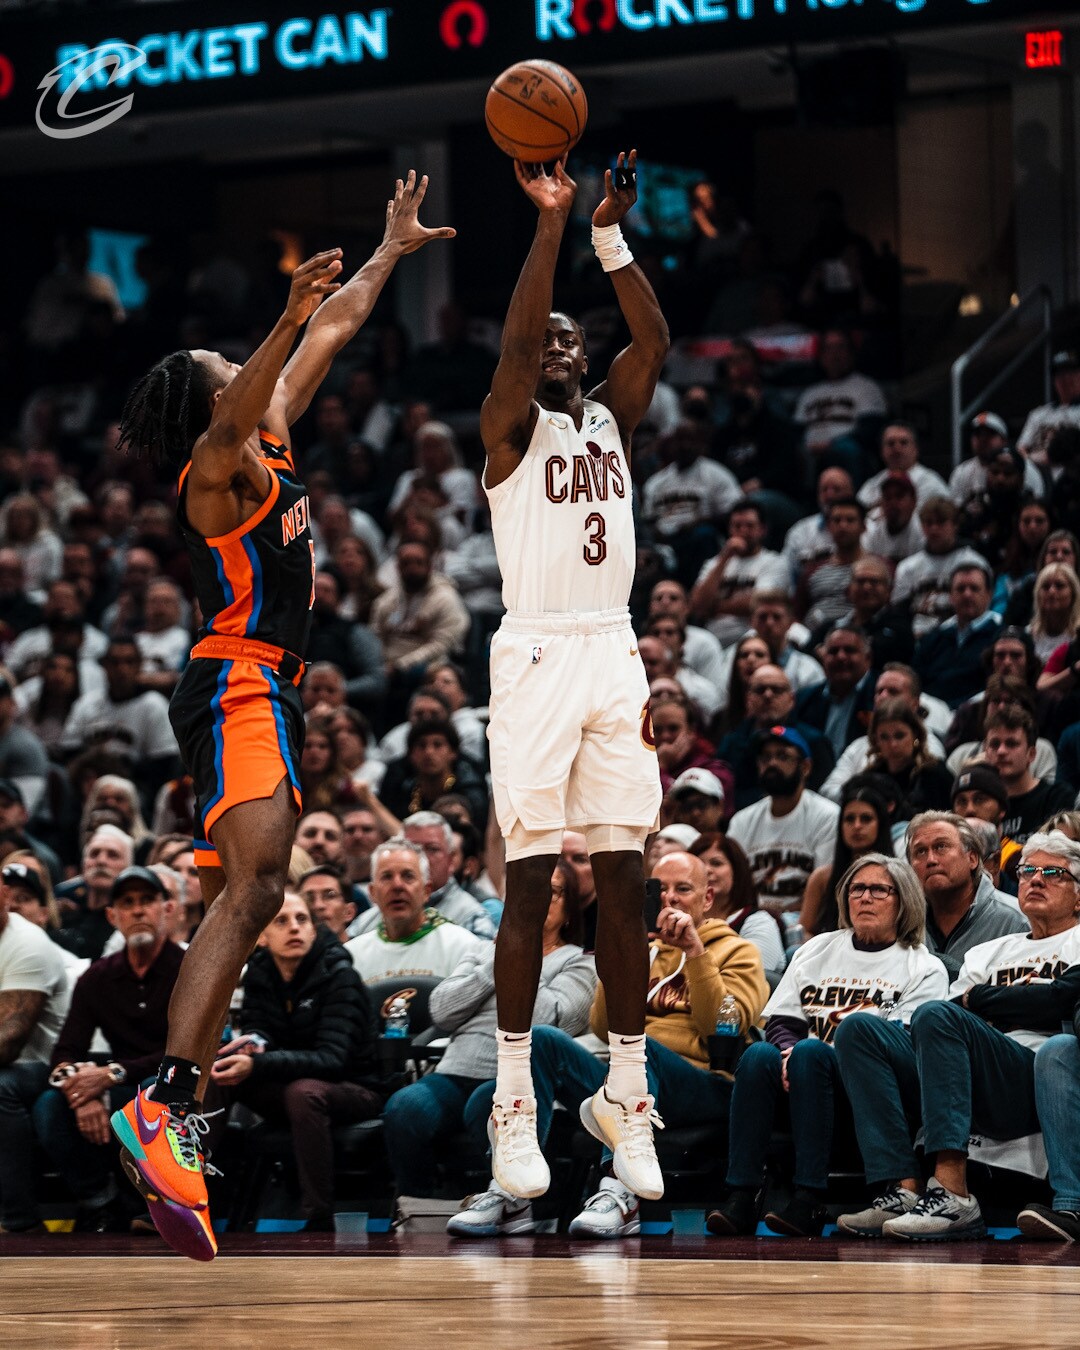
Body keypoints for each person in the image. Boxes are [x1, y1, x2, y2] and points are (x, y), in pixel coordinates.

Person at [108, 170, 454, 1259]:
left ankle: (173, 1108)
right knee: (258, 884)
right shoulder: (214, 472)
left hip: (268, 690)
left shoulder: (269, 437)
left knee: (248, 897)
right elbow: (264, 372)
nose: (246, 378)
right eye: (229, 374)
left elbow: (338, 328)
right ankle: (163, 1104)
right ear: (213, 400)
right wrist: (285, 314)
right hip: (234, 680)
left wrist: (391, 254)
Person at [479, 150, 670, 1202]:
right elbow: (518, 337)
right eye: (546, 337)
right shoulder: (509, 427)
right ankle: (514, 1100)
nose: (559, 343)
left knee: (627, 879)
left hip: (615, 647)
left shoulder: (610, 417)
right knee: (532, 883)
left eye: (570, 337)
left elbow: (654, 336)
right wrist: (549, 224)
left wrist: (607, 232)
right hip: (539, 649)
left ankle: (624, 1093)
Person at [455, 851, 768, 1238]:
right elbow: (603, 1027)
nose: (669, 899)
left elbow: (725, 1028)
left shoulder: (738, 951)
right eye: (659, 889)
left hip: (704, 1082)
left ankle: (620, 1192)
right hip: (633, 1077)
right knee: (544, 1042)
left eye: (683, 889)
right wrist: (623, 954)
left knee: (643, 1049)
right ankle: (512, 1193)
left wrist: (695, 953)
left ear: (707, 899)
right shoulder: (642, 949)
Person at [710, 852, 946, 1237]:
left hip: (870, 1092)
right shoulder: (817, 949)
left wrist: (802, 1054)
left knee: (812, 1052)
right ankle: (742, 1194)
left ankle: (809, 1197)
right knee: (757, 1056)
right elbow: (783, 1020)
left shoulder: (922, 966)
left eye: (878, 890)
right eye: (857, 889)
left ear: (904, 900)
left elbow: (902, 1048)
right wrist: (786, 1053)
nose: (865, 898)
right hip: (801, 1074)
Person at [872, 832, 1080, 1241]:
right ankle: (909, 1189)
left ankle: (952, 1191)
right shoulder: (987, 952)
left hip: (1041, 1074)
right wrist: (1025, 1000)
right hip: (979, 1076)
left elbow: (1060, 1002)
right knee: (894, 1024)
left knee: (950, 1018)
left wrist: (983, 997)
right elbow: (950, 1014)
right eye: (1027, 871)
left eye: (1053, 873)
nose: (1035, 880)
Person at [389, 860, 594, 1215]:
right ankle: (418, 1209)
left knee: (485, 1105)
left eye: (554, 891)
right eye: (531, 890)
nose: (539, 899)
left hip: (518, 1080)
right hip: (454, 1072)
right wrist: (498, 961)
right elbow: (442, 1010)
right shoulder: (484, 950)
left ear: (570, 910)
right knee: (403, 1109)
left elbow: (552, 1020)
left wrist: (521, 957)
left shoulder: (578, 963)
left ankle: (508, 1205)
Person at [210, 890, 382, 1231]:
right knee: (221, 1074)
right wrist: (254, 1044)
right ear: (262, 937)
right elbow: (263, 1028)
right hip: (292, 1084)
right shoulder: (260, 972)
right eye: (282, 921)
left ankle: (319, 1216)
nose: (294, 929)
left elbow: (332, 1060)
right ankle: (187, 1199)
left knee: (303, 1092)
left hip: (356, 1089)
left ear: (314, 931)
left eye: (302, 920)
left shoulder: (339, 975)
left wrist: (259, 1064)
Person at [32, 867, 184, 1235]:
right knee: (50, 1106)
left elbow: (182, 1051)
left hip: (173, 1083)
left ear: (167, 909)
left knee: (152, 1095)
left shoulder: (189, 969)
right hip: (121, 1084)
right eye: (127, 903)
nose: (137, 911)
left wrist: (111, 1074)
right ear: (112, 916)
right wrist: (81, 1094)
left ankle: (161, 1205)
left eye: (147, 901)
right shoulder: (97, 977)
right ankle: (101, 1202)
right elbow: (66, 1050)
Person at [0, 865, 71, 1235]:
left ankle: (19, 1220)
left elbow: (8, 1041)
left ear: (4, 896)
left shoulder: (25, 943)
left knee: (0, 1085)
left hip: (50, 1063)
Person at [727, 725, 840, 928]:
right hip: (752, 921)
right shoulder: (742, 821)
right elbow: (732, 887)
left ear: (805, 767)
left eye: (782, 756)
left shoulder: (827, 816)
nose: (772, 763)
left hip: (804, 922)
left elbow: (824, 888)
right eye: (765, 757)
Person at [906, 811, 1028, 979]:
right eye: (920, 851)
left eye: (941, 847)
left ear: (972, 859)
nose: (931, 859)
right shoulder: (903, 924)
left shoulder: (1017, 920)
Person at [690, 500, 791, 648]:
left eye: (749, 526)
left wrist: (714, 608)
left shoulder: (774, 562)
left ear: (762, 530)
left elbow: (759, 602)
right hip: (712, 639)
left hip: (753, 637)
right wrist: (725, 557)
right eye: (737, 526)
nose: (743, 531)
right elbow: (697, 604)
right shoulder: (714, 563)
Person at [801, 782, 895, 938]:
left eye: (866, 818)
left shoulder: (898, 877)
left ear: (881, 824)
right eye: (849, 819)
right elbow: (805, 929)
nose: (857, 826)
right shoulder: (822, 878)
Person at [689, 832, 785, 974]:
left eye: (716, 863)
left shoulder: (758, 922)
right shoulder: (682, 921)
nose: (707, 870)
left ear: (737, 871)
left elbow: (753, 975)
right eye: (699, 864)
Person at [913, 563, 1002, 708]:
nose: (967, 594)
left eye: (974, 588)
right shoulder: (934, 638)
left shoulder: (999, 637)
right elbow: (916, 680)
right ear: (951, 596)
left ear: (989, 595)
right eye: (960, 589)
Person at [983, 707, 1073, 845]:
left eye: (1011, 743)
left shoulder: (1057, 798)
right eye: (995, 744)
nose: (1001, 751)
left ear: (1031, 754)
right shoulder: (977, 803)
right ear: (986, 753)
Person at [863, 699, 955, 820]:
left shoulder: (936, 774)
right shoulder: (870, 778)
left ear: (915, 734)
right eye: (884, 737)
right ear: (875, 740)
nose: (893, 744)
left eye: (899, 735)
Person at [795, 624, 875, 760]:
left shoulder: (880, 695)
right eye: (833, 651)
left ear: (867, 658)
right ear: (823, 658)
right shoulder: (805, 699)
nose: (841, 657)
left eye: (849, 650)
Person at [858, 423, 949, 511]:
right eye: (890, 443)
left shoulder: (931, 483)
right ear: (882, 451)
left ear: (915, 449)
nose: (897, 449)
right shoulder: (872, 484)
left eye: (903, 443)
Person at [299, 863, 357, 943]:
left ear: (349, 912)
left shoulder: (364, 953)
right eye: (309, 898)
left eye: (329, 896)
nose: (318, 905)